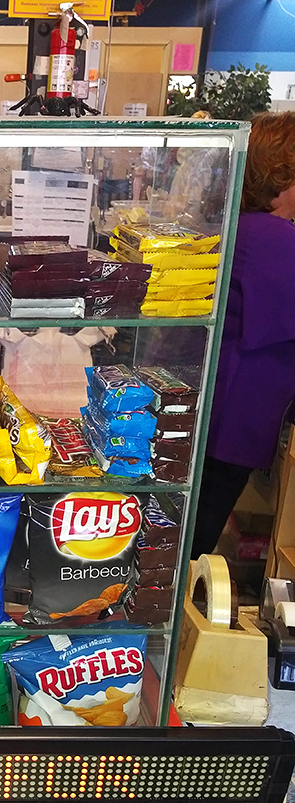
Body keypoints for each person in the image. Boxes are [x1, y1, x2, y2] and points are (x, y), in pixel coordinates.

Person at [192, 111, 295, 558]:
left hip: (216, 412)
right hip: (235, 420)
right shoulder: (276, 239)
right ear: (283, 174)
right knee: (196, 540)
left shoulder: (242, 224)